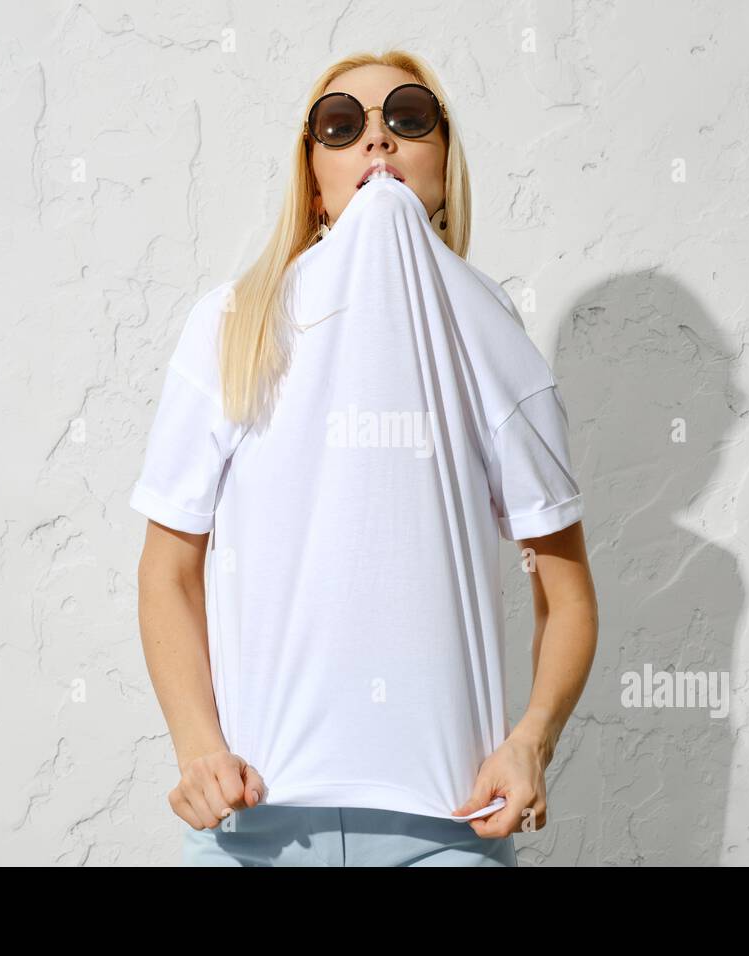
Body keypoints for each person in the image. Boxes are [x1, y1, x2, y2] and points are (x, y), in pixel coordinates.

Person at [132, 49, 598, 867]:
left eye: (407, 117)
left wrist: (532, 741)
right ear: (314, 181)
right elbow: (168, 567)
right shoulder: (232, 328)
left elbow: (564, 589)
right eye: (342, 126)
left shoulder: (494, 341)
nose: (377, 140)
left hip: (448, 829)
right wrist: (198, 749)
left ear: (443, 164)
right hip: (256, 827)